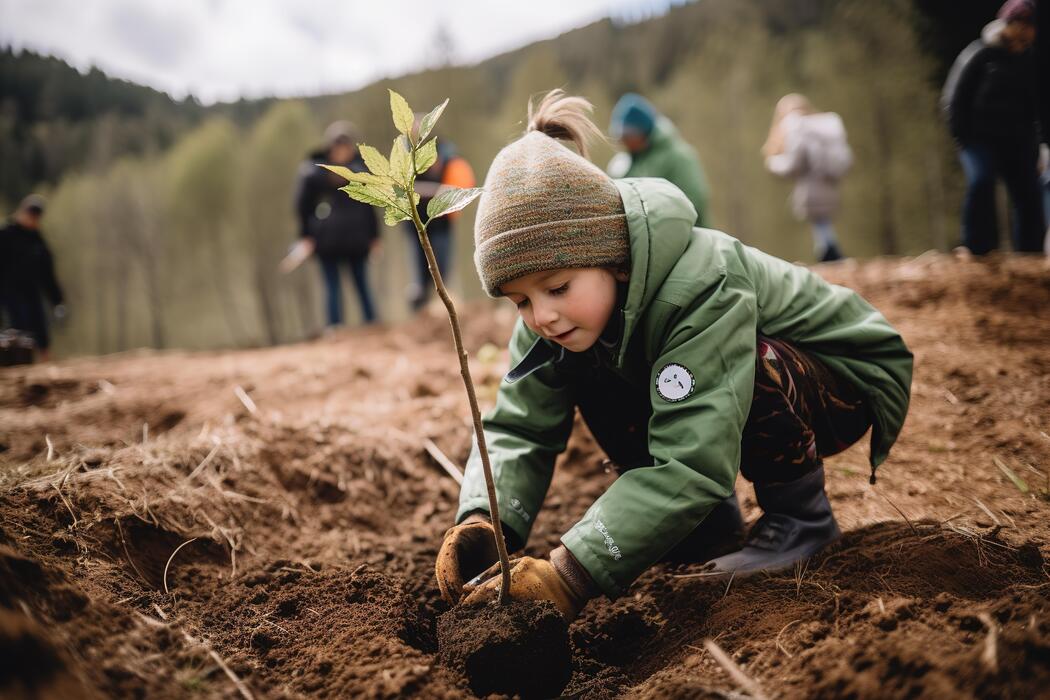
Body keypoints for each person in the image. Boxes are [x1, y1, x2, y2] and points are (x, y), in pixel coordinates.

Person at [435, 92, 912, 621]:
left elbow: (691, 457)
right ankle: (707, 527)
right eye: (521, 300)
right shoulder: (555, 325)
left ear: (611, 257)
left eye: (558, 287)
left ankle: (801, 519)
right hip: (732, 382)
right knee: (590, 365)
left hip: (845, 374)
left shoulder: (702, 283)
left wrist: (571, 572)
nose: (541, 315)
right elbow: (520, 429)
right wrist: (484, 521)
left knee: (747, 363)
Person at [941, 0, 1046, 255]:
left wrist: (1038, 145)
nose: (1023, 31)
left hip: (1017, 142)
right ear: (1005, 25)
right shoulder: (980, 55)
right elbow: (954, 99)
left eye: (1028, 26)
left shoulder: (1031, 63)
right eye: (1018, 24)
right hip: (977, 141)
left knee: (1029, 191)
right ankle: (978, 248)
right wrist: (962, 136)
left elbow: (1037, 108)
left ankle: (1030, 252)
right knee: (981, 181)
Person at [295, 121, 380, 327]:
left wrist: (375, 237)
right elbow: (302, 207)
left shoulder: (362, 173)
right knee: (332, 286)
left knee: (361, 283)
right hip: (327, 241)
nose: (342, 152)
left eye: (346, 147)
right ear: (329, 148)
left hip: (357, 240)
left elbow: (371, 206)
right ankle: (335, 327)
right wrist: (306, 236)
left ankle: (372, 324)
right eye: (337, 147)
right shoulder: (312, 175)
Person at [763, 94, 853, 263]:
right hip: (829, 181)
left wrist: (773, 164)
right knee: (822, 220)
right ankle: (827, 249)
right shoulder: (824, 127)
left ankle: (829, 251)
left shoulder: (797, 128)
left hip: (810, 185)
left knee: (819, 220)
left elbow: (795, 163)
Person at [607, 93, 711, 227]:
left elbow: (694, 201)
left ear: (642, 132)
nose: (622, 141)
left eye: (627, 136)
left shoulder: (679, 157)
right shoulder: (622, 163)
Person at [404, 127, 475, 312]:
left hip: (441, 222)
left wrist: (421, 191)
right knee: (420, 271)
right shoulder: (404, 158)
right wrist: (434, 190)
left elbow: (456, 190)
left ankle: (443, 305)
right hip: (414, 224)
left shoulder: (450, 159)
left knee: (441, 266)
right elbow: (401, 190)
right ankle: (422, 308)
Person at [0, 194, 66, 362]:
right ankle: (18, 366)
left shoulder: (37, 241)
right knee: (18, 329)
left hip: (30, 291)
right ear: (21, 212)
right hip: (8, 291)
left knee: (39, 326)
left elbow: (47, 274)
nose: (32, 220)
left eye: (36, 217)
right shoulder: (5, 235)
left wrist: (57, 300)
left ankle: (44, 361)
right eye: (30, 215)